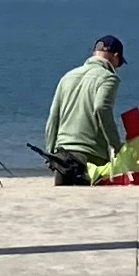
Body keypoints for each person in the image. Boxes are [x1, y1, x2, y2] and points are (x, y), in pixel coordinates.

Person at [41, 35, 125, 184]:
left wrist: (50, 152)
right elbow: (102, 108)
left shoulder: (68, 77)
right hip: (91, 154)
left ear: (94, 53)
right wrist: (116, 145)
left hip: (62, 153)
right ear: (116, 56)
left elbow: (54, 117)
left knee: (63, 197)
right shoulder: (108, 78)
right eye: (119, 64)